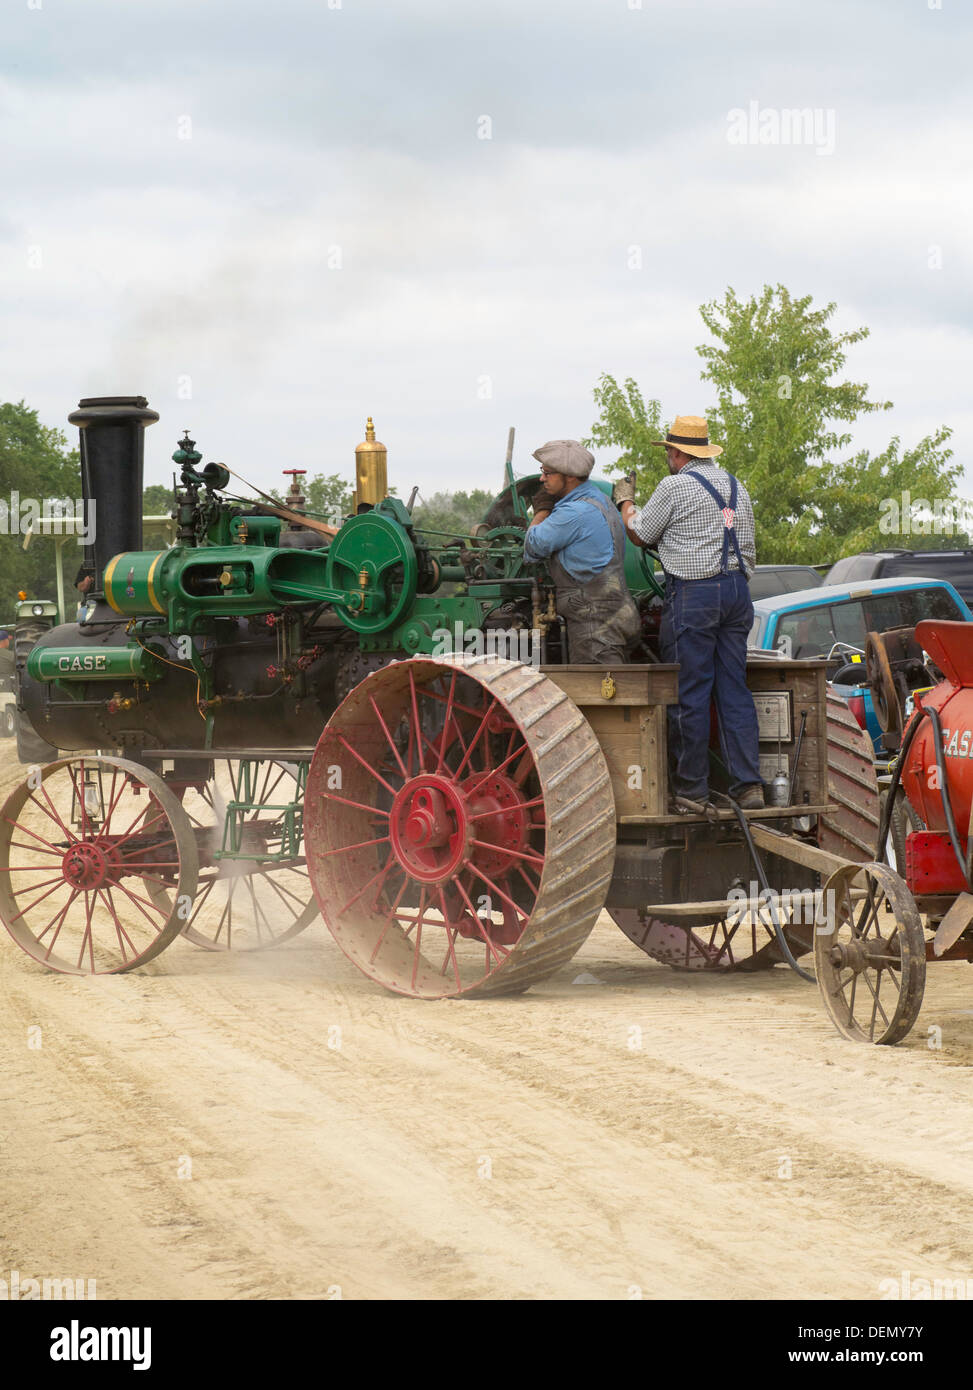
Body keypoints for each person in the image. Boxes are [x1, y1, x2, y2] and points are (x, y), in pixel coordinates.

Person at [613, 415, 764, 812]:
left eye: (668, 452)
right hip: (737, 591)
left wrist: (625, 502)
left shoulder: (675, 486)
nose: (668, 458)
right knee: (733, 690)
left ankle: (691, 791)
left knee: (689, 692)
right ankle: (748, 786)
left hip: (696, 595)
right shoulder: (736, 486)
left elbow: (641, 534)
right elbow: (748, 548)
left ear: (677, 453)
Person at [523, 439, 640, 664]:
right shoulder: (602, 501)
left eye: (548, 473)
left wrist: (541, 511)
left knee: (598, 694)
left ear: (570, 476)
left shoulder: (573, 513)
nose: (541, 479)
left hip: (595, 628)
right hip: (621, 616)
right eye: (542, 472)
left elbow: (532, 547)